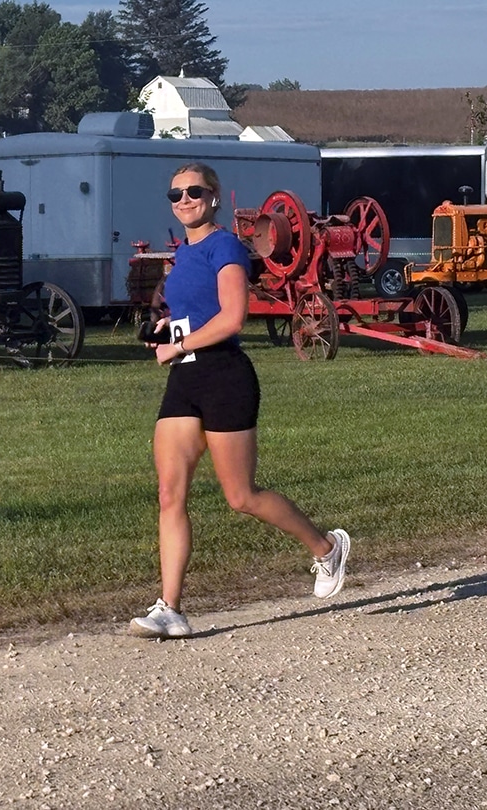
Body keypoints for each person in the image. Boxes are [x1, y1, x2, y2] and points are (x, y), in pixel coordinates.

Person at [130, 162, 351, 639]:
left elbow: (233, 319)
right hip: (184, 381)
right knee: (170, 494)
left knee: (241, 497)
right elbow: (194, 314)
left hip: (225, 377)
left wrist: (180, 345)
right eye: (176, 195)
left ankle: (326, 548)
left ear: (213, 197)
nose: (184, 200)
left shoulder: (225, 245)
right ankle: (170, 609)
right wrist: (168, 330)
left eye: (194, 192)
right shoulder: (182, 254)